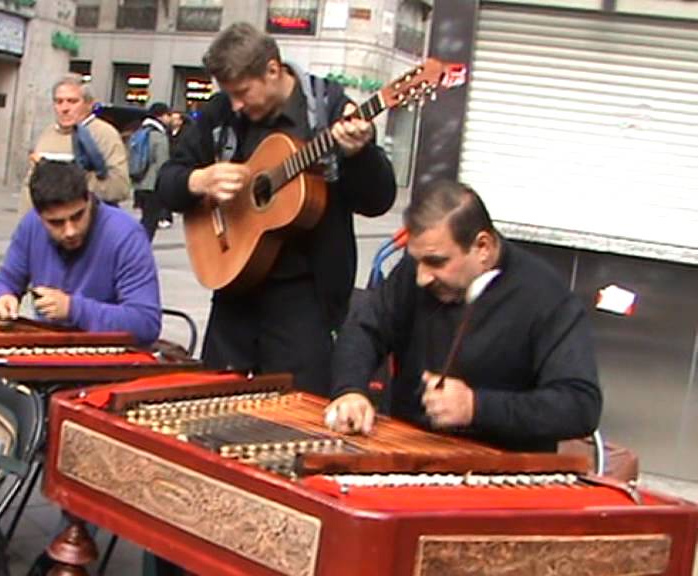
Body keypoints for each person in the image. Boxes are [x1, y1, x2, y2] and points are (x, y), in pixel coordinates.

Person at [156, 22, 397, 395]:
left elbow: (378, 201)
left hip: (306, 302)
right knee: (215, 409)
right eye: (228, 94)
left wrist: (360, 155)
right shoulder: (222, 114)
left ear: (272, 70)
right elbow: (167, 181)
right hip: (234, 292)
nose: (235, 104)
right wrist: (198, 181)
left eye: (242, 93)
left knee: (296, 417)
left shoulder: (331, 109)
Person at [327, 180, 602, 452]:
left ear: (482, 247)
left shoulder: (545, 296)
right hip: (405, 451)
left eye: (437, 262)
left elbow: (580, 405)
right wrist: (350, 390)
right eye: (417, 261)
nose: (422, 278)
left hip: (500, 473)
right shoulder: (418, 270)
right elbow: (364, 328)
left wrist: (477, 407)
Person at [0, 160, 160, 346]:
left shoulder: (126, 235)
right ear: (40, 216)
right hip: (50, 349)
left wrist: (73, 309)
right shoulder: (31, 225)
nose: (70, 231)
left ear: (89, 200)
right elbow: (5, 280)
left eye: (77, 216)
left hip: (110, 358)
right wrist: (1, 298)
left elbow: (146, 323)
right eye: (56, 223)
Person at [19, 74, 130, 216]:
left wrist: (66, 177)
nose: (64, 108)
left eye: (72, 101)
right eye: (59, 102)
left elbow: (120, 188)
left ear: (89, 104)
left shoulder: (104, 134)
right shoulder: (47, 133)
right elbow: (30, 185)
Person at [132, 101, 172, 242]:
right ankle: (140, 247)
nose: (170, 118)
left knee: (146, 217)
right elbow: (163, 162)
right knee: (150, 220)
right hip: (153, 185)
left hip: (140, 182)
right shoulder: (158, 135)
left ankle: (137, 244)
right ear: (160, 116)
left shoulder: (140, 132)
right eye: (168, 115)